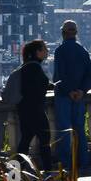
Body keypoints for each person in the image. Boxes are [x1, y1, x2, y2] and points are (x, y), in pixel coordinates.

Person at [53, 19, 91, 170]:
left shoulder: (60, 50)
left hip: (64, 96)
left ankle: (66, 163)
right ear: (76, 33)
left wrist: (69, 91)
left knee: (64, 129)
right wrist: (81, 91)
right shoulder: (83, 50)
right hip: (79, 96)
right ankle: (82, 161)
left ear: (63, 32)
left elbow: (59, 75)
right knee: (79, 129)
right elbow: (89, 74)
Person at [17, 38, 54, 172]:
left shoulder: (27, 66)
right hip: (35, 110)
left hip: (25, 110)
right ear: (38, 52)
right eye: (44, 49)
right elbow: (38, 87)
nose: (47, 51)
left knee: (24, 143)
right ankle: (49, 172)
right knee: (45, 141)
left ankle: (14, 176)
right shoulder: (34, 67)